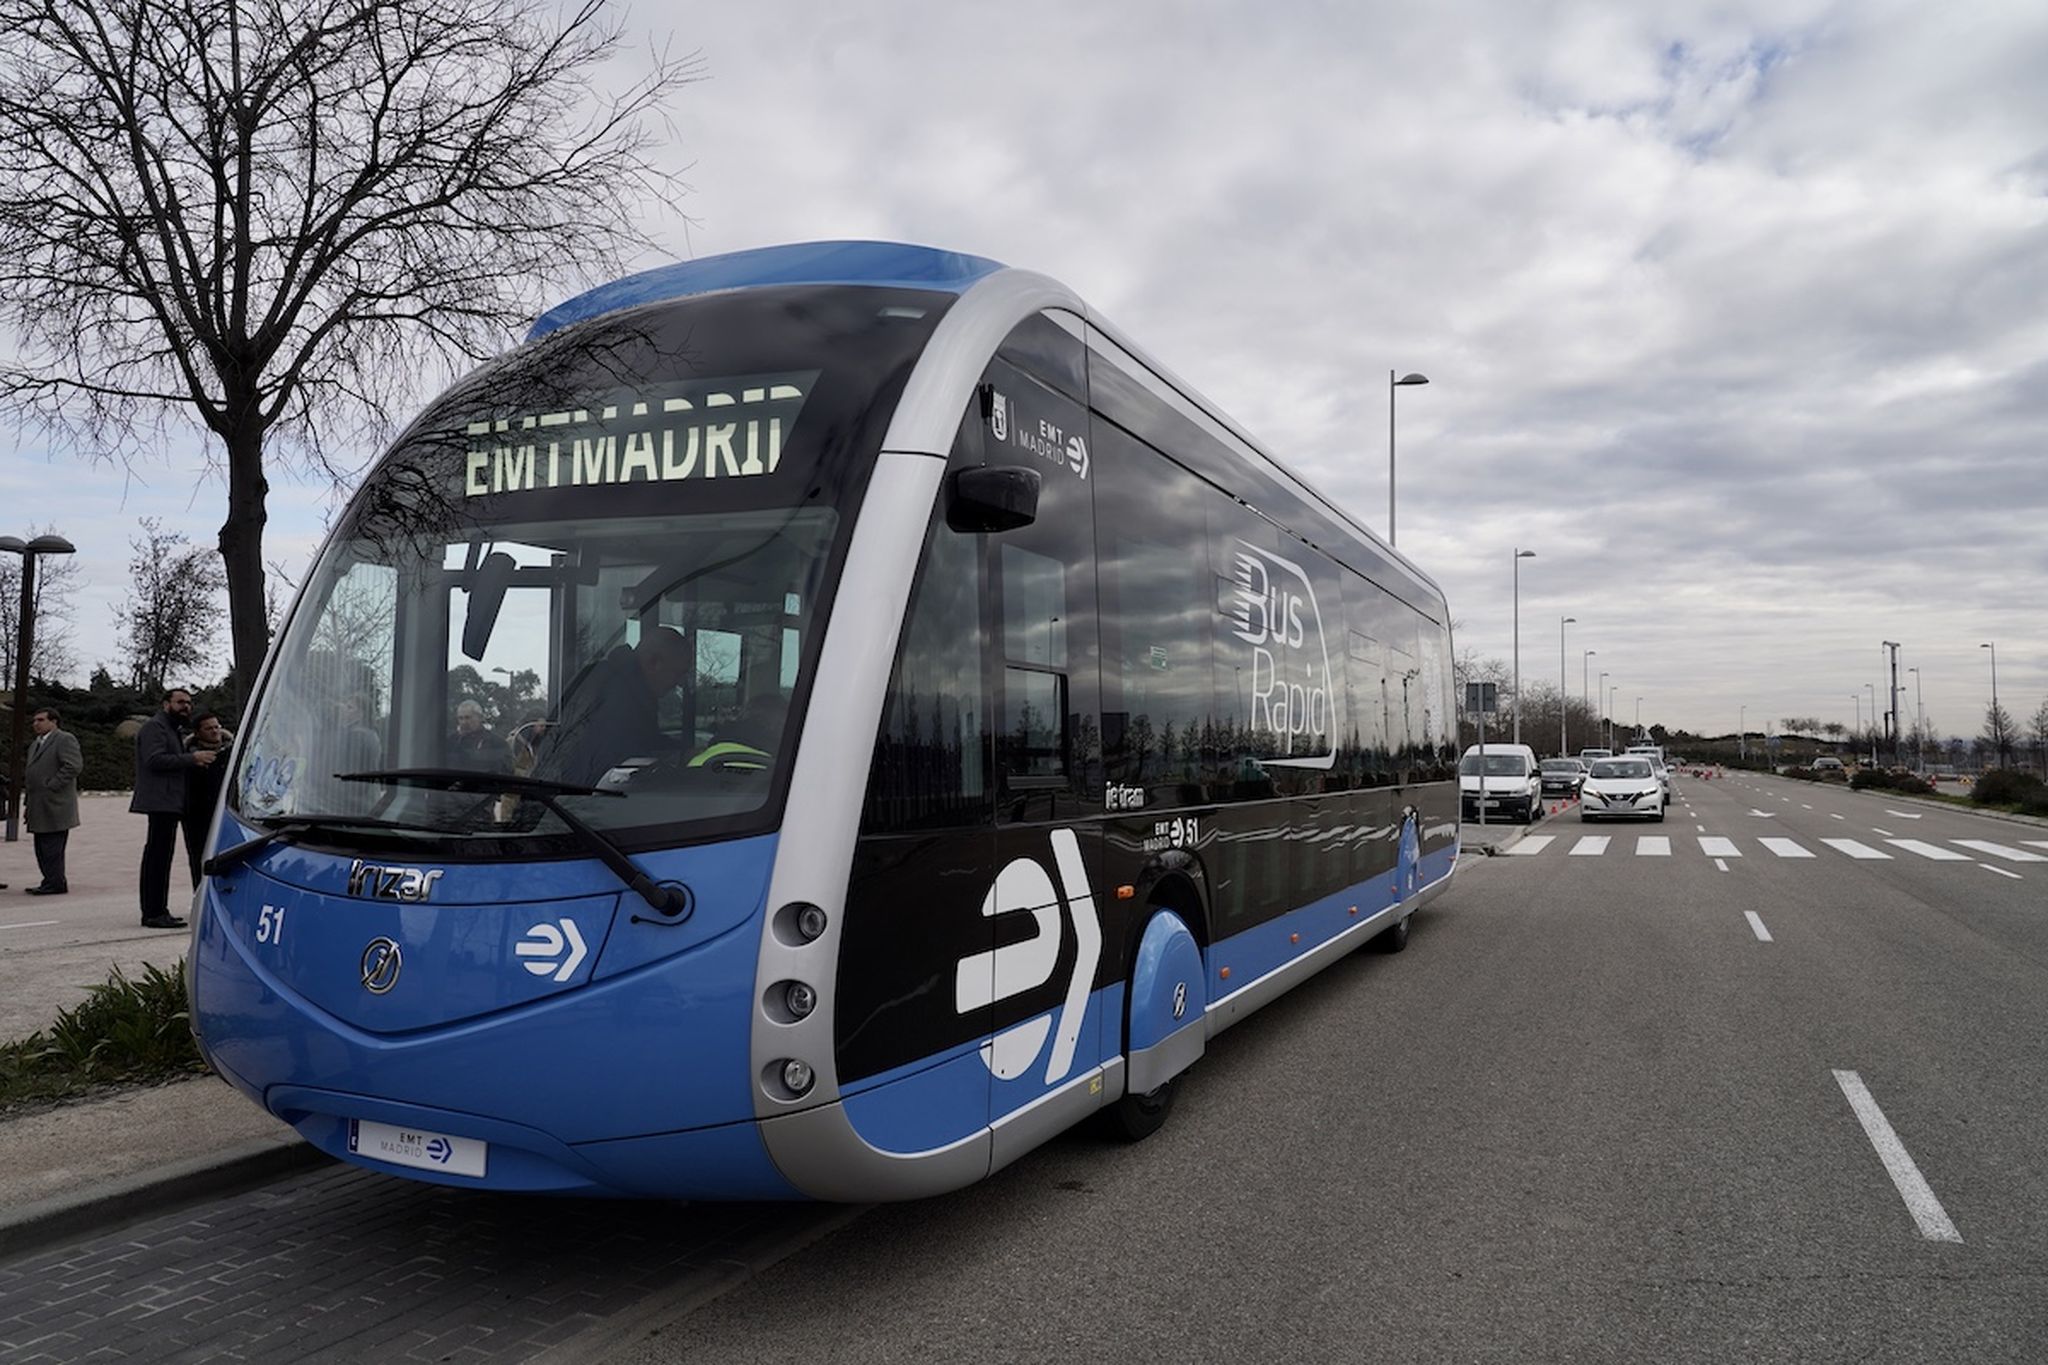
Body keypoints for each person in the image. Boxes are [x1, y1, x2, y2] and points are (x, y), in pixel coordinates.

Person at [537, 627, 693, 787]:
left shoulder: (614, 682)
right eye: (678, 673)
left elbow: (644, 740)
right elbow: (621, 762)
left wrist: (680, 752)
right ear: (653, 662)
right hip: (584, 802)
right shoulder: (618, 698)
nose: (680, 683)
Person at [131, 687, 215, 929]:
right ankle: (154, 912)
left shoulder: (171, 729)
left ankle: (157, 910)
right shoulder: (155, 728)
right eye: (180, 702)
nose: (186, 707)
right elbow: (154, 760)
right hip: (161, 801)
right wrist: (194, 759)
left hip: (170, 801)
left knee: (161, 856)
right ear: (166, 704)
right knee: (157, 857)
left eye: (189, 703)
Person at [23, 706, 83, 895]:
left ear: (53, 721)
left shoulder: (64, 739)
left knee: (52, 847)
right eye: (34, 721)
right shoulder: (36, 743)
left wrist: (52, 785)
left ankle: (56, 883)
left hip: (56, 804)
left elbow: (73, 766)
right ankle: (49, 880)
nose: (36, 724)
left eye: (40, 720)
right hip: (38, 804)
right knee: (41, 846)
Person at [181, 711, 234, 888]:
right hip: (198, 815)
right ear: (197, 733)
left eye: (216, 727)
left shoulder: (233, 753)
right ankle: (201, 893)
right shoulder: (188, 757)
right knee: (199, 858)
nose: (215, 731)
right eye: (209, 728)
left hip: (229, 813)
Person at [445, 698, 509, 772]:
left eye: (467, 718)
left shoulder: (497, 744)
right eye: (460, 718)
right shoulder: (450, 743)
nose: (464, 722)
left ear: (480, 718)